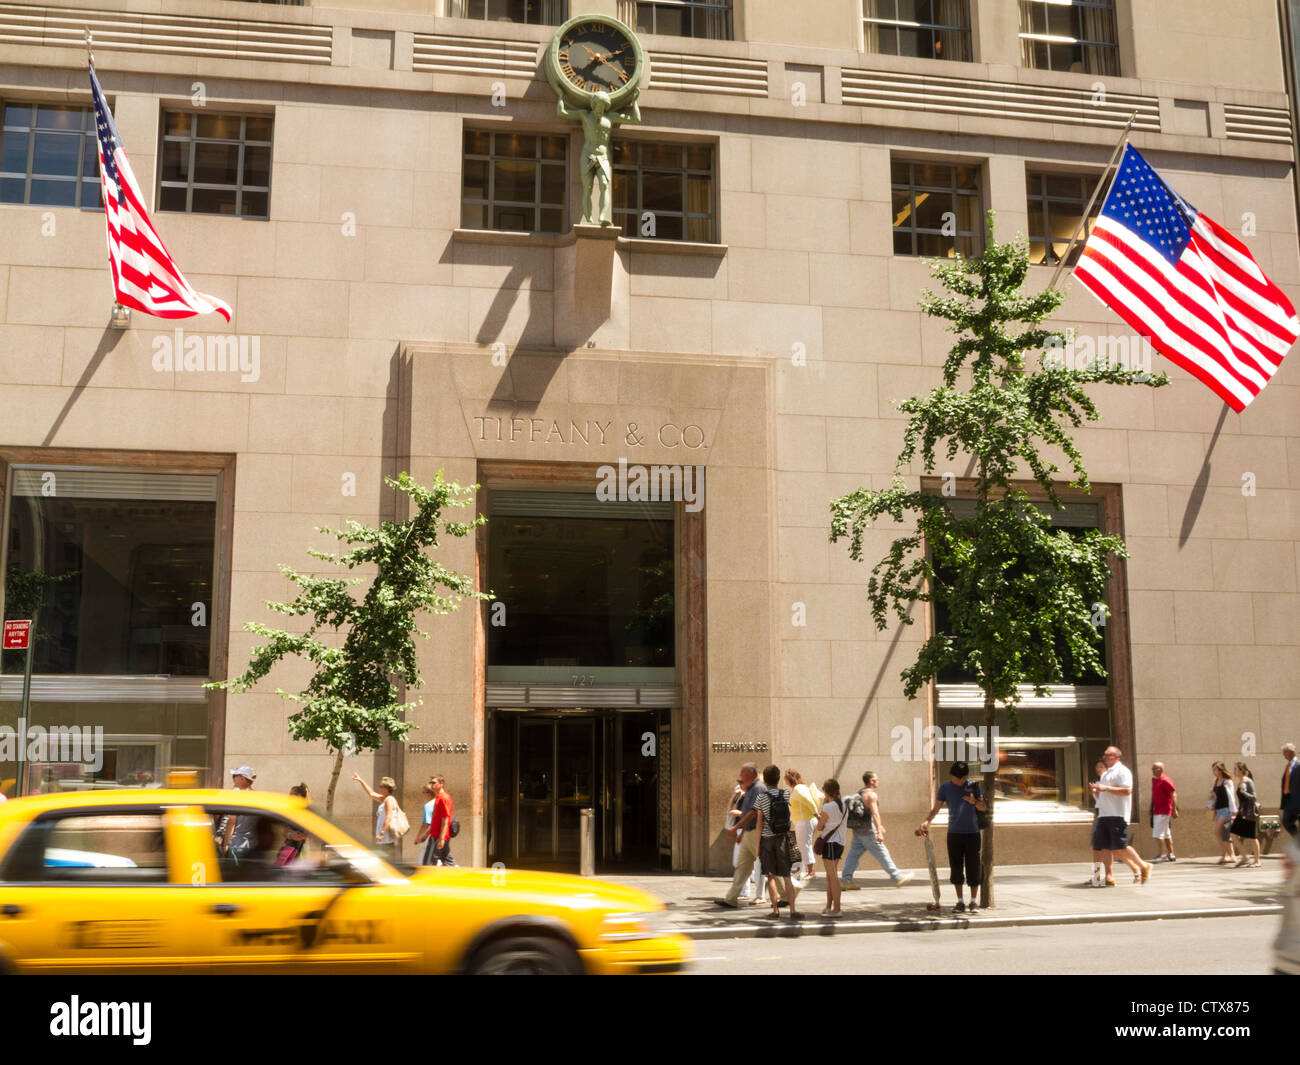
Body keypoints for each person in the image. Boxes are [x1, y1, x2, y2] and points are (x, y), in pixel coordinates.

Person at [918, 761, 987, 911]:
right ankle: (960, 901)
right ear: (952, 776)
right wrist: (926, 822)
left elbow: (983, 807)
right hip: (954, 834)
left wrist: (973, 801)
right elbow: (936, 808)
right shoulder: (945, 788)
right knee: (956, 868)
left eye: (962, 778)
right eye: (957, 778)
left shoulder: (974, 786)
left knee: (973, 868)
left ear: (966, 776)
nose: (960, 781)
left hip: (973, 833)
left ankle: (973, 902)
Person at [840, 770, 914, 890]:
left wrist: (879, 826)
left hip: (858, 831)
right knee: (882, 853)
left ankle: (846, 880)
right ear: (872, 781)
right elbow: (875, 813)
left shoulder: (859, 793)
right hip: (869, 832)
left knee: (852, 856)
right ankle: (897, 877)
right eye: (876, 779)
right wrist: (879, 831)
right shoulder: (871, 795)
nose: (878, 781)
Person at [1090, 746, 1150, 885]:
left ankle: (1142, 865)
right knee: (1102, 846)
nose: (1104, 757)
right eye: (1104, 755)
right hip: (1104, 815)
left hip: (1117, 815)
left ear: (1116, 757)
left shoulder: (1123, 771)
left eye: (1108, 755)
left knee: (1120, 846)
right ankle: (1106, 876)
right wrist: (1097, 791)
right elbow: (1103, 796)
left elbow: (1127, 791)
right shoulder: (1106, 774)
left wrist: (1107, 788)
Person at [752, 765, 800, 919]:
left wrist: (757, 846)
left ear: (765, 780)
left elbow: (759, 823)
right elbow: (789, 816)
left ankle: (775, 911)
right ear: (779, 779)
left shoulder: (761, 797)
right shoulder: (786, 794)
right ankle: (793, 910)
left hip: (767, 840)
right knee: (786, 876)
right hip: (782, 839)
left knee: (771, 876)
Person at [717, 763, 763, 908]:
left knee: (766, 866)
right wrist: (741, 832)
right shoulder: (750, 789)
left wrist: (736, 827)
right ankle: (731, 898)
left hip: (757, 832)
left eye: (742, 772)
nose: (740, 775)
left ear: (751, 773)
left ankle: (789, 892)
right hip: (748, 831)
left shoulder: (758, 788)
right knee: (742, 866)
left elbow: (753, 812)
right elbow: (747, 813)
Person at [813, 779, 848, 917]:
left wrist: (820, 814)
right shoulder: (844, 805)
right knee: (830, 877)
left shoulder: (828, 807)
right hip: (840, 843)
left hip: (830, 843)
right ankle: (829, 906)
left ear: (826, 791)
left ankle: (837, 909)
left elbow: (820, 827)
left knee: (832, 877)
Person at [784, 769, 822, 886]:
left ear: (790, 779)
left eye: (785, 778)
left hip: (805, 821)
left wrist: (817, 814)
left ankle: (811, 872)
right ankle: (803, 870)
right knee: (802, 845)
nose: (784, 780)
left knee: (804, 845)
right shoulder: (800, 788)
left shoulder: (798, 789)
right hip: (803, 821)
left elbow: (809, 802)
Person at [353, 772, 399, 861]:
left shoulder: (389, 800)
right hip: (385, 838)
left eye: (381, 786)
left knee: (385, 862)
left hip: (387, 838)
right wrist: (361, 780)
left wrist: (382, 833)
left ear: (387, 788)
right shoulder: (385, 798)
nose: (379, 788)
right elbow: (371, 793)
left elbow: (389, 816)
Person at [221, 765, 257, 858]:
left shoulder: (237, 797)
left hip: (237, 845)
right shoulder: (257, 797)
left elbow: (231, 822)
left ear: (242, 778)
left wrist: (225, 845)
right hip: (252, 846)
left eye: (235, 776)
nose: (234, 779)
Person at [1230, 763, 1260, 868]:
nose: (1234, 771)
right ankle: (1245, 857)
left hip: (1249, 812)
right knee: (1233, 833)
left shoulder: (1248, 781)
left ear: (1241, 770)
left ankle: (1257, 861)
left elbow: (1253, 797)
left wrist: (1243, 792)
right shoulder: (1241, 781)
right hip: (1242, 812)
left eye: (1235, 769)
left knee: (1252, 837)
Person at [276, 782, 310, 866]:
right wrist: (291, 835)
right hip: (290, 847)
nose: (289, 797)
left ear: (300, 797)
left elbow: (310, 832)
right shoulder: (290, 811)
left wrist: (301, 836)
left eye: (292, 795)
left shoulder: (308, 813)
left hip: (301, 848)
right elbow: (284, 831)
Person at [1210, 761, 1237, 864]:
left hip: (1226, 809)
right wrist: (1211, 800)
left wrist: (1233, 811)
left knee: (1217, 831)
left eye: (1215, 769)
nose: (1213, 771)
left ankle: (1227, 855)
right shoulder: (1215, 780)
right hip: (1218, 809)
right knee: (1223, 833)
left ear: (1221, 770)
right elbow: (1214, 794)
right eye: (1212, 770)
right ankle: (1228, 855)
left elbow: (1231, 797)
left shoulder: (1227, 781)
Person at [1150, 762, 1178, 862]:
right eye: (1152, 768)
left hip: (1163, 811)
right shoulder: (1155, 780)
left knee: (1158, 834)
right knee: (1166, 833)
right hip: (1157, 810)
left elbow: (1173, 794)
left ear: (1161, 769)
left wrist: (1174, 809)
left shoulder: (1165, 780)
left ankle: (1162, 855)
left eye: (1154, 768)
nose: (1152, 770)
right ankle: (1171, 854)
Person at [426, 775, 455, 866]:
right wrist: (427, 833)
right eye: (430, 783)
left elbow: (445, 818)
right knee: (446, 860)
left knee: (431, 861)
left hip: (438, 836)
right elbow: (436, 818)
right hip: (435, 835)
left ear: (441, 784)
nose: (431, 785)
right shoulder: (439, 797)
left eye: (434, 783)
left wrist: (441, 838)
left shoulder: (443, 798)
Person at [415, 782, 438, 865]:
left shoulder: (428, 806)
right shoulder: (437, 802)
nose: (422, 794)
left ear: (428, 794)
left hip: (430, 836)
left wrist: (418, 837)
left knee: (423, 858)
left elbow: (425, 824)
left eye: (423, 792)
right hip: (438, 834)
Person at [1281, 743, 1300, 837]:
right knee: (1286, 821)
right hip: (1289, 800)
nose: (1283, 755)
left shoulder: (1298, 765)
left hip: (1298, 799)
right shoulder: (1288, 766)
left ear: (1291, 752)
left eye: (1285, 752)